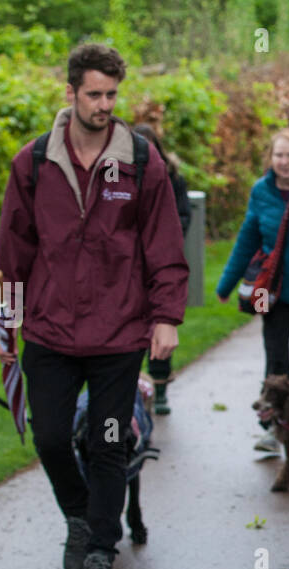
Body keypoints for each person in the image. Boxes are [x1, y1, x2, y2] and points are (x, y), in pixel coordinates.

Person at [0, 43, 188, 569]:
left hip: (119, 329)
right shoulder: (32, 162)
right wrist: (7, 322)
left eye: (111, 95)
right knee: (52, 436)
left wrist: (166, 316)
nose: (104, 105)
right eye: (94, 94)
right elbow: (14, 247)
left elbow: (164, 244)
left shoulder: (141, 160)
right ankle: (79, 516)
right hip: (50, 328)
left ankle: (101, 554)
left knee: (107, 442)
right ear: (71, 92)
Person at [216, 128, 289, 454]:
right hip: (272, 290)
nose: (284, 162)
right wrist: (227, 283)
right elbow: (247, 238)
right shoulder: (261, 190)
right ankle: (272, 427)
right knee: (275, 360)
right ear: (271, 159)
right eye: (278, 156)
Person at [132, 123, 191, 416]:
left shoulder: (171, 177)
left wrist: (163, 237)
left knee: (161, 325)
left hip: (157, 266)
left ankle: (160, 385)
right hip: (129, 268)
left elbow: (182, 215)